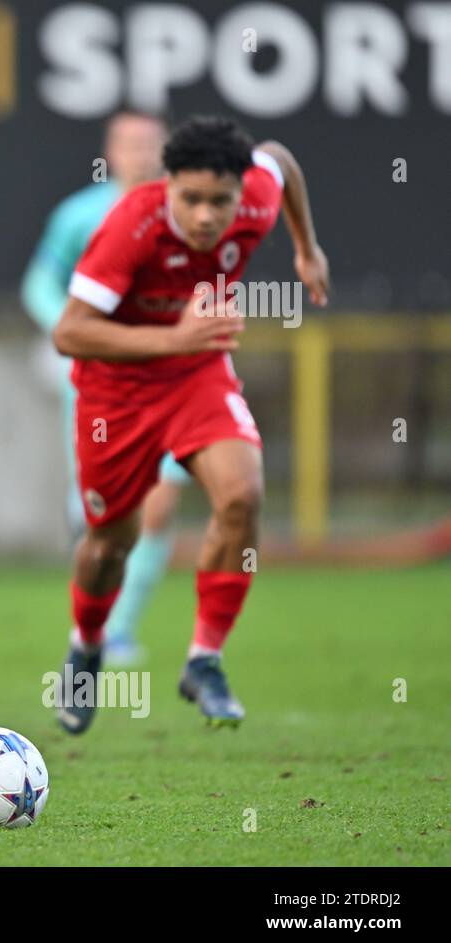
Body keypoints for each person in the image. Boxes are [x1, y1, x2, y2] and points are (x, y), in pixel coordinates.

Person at [50, 116, 329, 733]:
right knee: (109, 543)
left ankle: (205, 659)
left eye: (220, 202)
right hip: (115, 393)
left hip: (197, 376)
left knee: (243, 495)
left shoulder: (258, 193)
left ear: (241, 193)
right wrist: (172, 335)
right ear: (166, 184)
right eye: (191, 199)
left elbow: (280, 154)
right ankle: (87, 646)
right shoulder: (131, 226)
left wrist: (307, 247)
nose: (205, 216)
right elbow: (68, 332)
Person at [22, 110, 175, 666]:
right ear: (110, 150)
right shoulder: (80, 215)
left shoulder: (186, 208)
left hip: (169, 377)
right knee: (102, 508)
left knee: (158, 504)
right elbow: (39, 282)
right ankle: (94, 616)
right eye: (127, 142)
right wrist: (74, 332)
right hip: (100, 380)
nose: (138, 151)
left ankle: (119, 629)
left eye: (148, 140)